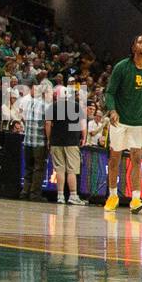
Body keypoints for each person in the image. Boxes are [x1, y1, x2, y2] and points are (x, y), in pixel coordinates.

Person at [103, 35, 142, 214]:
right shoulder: (121, 67)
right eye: (141, 42)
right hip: (119, 120)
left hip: (139, 122)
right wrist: (112, 110)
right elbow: (110, 93)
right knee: (114, 159)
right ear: (134, 47)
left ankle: (135, 199)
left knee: (137, 158)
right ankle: (112, 196)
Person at [49, 75, 86, 205]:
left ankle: (60, 196)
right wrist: (84, 137)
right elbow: (82, 124)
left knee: (59, 169)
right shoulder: (76, 106)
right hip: (72, 142)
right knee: (72, 170)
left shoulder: (52, 106)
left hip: (56, 141)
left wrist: (49, 139)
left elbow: (48, 124)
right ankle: (73, 195)